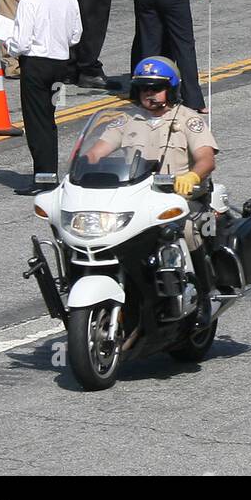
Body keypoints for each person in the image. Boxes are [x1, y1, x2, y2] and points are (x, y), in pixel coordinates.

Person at [83, 57, 220, 322]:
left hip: (178, 199)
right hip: (136, 199)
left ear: (171, 89)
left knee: (188, 230)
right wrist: (84, 167)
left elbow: (206, 158)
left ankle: (205, 296)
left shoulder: (188, 120)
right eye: (144, 88)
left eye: (156, 87)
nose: (149, 93)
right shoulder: (126, 120)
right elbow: (96, 152)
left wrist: (192, 176)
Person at [3, 0, 81, 196]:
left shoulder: (29, 2)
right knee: (49, 118)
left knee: (37, 122)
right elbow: (75, 35)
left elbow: (22, 43)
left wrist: (9, 43)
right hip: (59, 64)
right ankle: (48, 173)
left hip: (36, 65)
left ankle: (44, 177)